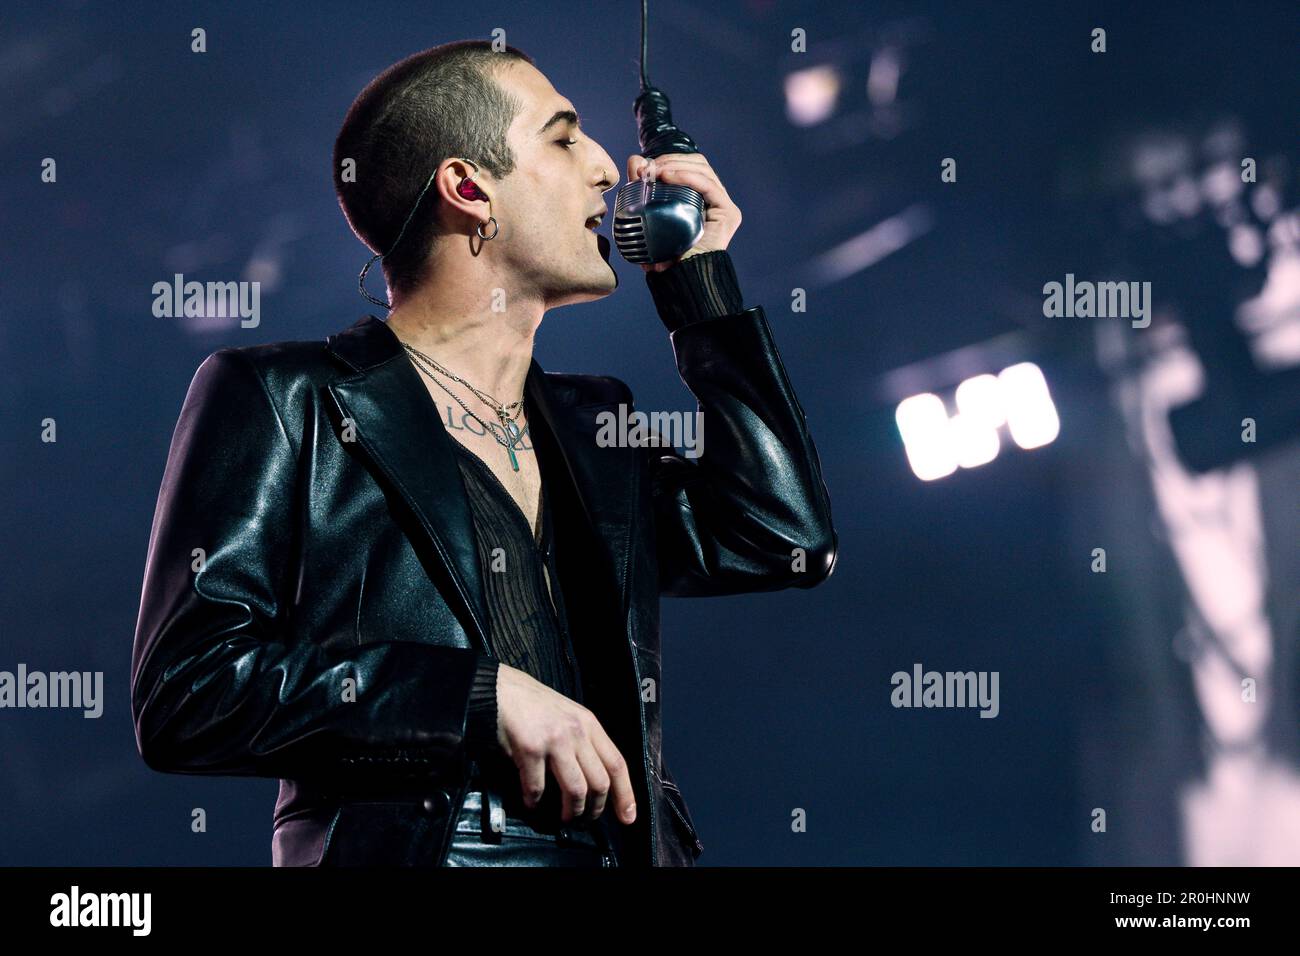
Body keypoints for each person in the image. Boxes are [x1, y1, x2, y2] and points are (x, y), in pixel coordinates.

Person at [129, 39, 837, 867]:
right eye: (566, 138)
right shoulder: (286, 399)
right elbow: (188, 692)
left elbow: (782, 538)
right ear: (469, 189)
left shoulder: (594, 431)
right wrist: (474, 694)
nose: (610, 170)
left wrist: (702, 291)